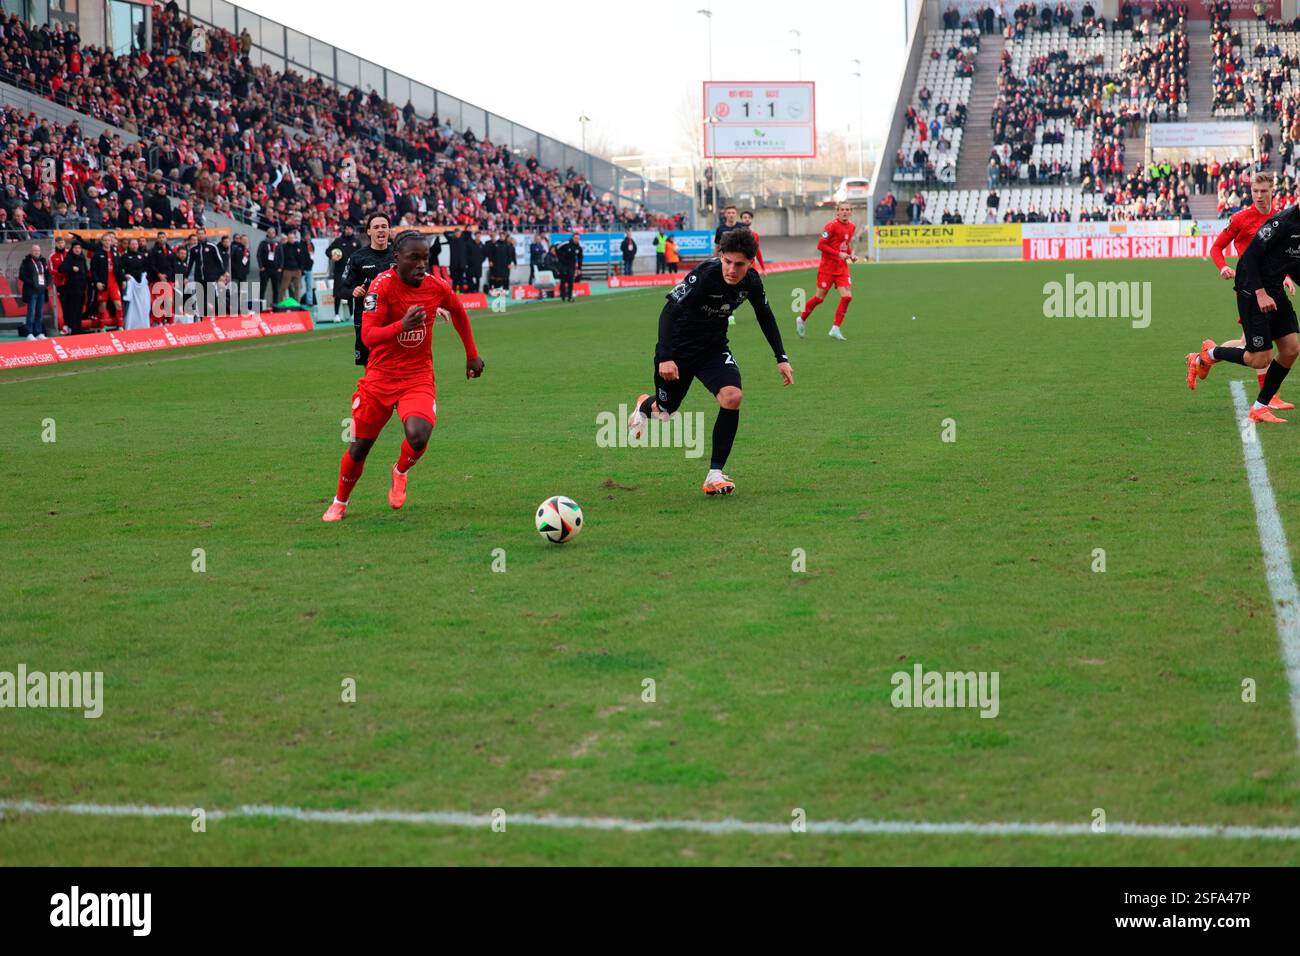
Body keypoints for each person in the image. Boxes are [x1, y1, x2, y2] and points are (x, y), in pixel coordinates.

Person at [322, 232, 485, 522]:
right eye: (414, 258)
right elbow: (369, 337)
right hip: (379, 379)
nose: (422, 264)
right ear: (396, 259)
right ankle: (339, 502)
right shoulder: (380, 287)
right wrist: (402, 325)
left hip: (417, 376)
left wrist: (471, 354)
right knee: (360, 448)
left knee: (419, 435)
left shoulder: (435, 286)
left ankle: (400, 471)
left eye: (425, 258)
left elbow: (458, 310)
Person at [625, 228, 793, 496]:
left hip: (713, 349)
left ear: (750, 262)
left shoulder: (751, 281)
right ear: (720, 256)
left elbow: (765, 315)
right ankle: (645, 404)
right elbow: (668, 312)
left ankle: (714, 474)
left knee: (732, 397)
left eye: (739, 264)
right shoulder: (703, 275)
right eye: (727, 261)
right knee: (666, 412)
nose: (731, 269)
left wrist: (781, 357)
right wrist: (666, 357)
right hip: (678, 350)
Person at [1188, 171, 1295, 411]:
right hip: (1250, 289)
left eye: (1263, 191)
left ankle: (1204, 357)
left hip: (1273, 288)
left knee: (1249, 342)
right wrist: (1223, 265)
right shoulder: (1241, 219)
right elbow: (1216, 248)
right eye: (1255, 191)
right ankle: (1269, 396)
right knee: (1260, 347)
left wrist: (1286, 277)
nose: (1259, 196)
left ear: (1272, 191)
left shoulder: (1280, 220)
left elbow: (1280, 257)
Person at [797, 201, 857, 341]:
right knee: (819, 298)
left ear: (851, 212)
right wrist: (838, 254)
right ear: (837, 212)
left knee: (847, 297)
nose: (845, 212)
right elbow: (821, 245)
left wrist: (850, 255)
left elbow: (845, 246)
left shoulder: (852, 227)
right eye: (842, 209)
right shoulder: (831, 226)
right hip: (827, 268)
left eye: (848, 209)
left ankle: (835, 328)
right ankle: (801, 319)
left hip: (841, 267)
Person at [342, 212, 395, 366]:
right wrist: (353, 291)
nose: (381, 230)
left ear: (389, 230)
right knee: (370, 366)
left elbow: (413, 284)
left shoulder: (398, 255)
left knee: (394, 365)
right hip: (366, 321)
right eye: (376, 227)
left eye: (384, 227)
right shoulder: (357, 258)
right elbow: (342, 288)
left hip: (394, 319)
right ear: (369, 231)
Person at [326, 225, 362, 322]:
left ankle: (351, 315)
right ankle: (336, 315)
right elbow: (328, 251)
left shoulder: (356, 241)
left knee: (351, 293)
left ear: (352, 230)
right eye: (347, 228)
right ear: (345, 230)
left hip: (351, 272)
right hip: (339, 272)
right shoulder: (339, 241)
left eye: (350, 228)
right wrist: (332, 256)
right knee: (337, 293)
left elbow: (361, 254)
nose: (348, 230)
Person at [91, 233, 123, 330]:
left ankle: (120, 326)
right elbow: (93, 270)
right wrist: (97, 282)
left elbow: (120, 268)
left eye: (108, 240)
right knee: (102, 306)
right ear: (102, 241)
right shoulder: (97, 254)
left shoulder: (115, 253)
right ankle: (101, 327)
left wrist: (123, 280)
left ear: (111, 241)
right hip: (103, 283)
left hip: (113, 283)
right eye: (105, 240)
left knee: (118, 304)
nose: (107, 242)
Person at [57, 240, 91, 334]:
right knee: (73, 309)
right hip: (73, 288)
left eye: (79, 248)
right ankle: (73, 329)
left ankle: (78, 327)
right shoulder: (69, 258)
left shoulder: (82, 258)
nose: (78, 250)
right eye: (76, 248)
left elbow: (85, 270)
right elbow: (61, 268)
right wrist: (71, 268)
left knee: (79, 308)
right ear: (72, 249)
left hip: (82, 287)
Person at [19, 243, 50, 340]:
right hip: (31, 290)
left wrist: (46, 284)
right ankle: (29, 333)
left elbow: (48, 275)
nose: (36, 252)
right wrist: (32, 283)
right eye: (34, 250)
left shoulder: (43, 262)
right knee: (31, 312)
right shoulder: (26, 262)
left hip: (41, 290)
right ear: (31, 251)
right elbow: (22, 276)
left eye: (38, 251)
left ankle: (38, 332)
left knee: (40, 312)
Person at [257, 227, 283, 305]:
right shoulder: (263, 243)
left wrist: (280, 268)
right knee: (262, 287)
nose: (271, 234)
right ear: (267, 233)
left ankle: (275, 304)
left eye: (273, 232)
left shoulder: (278, 244)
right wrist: (261, 266)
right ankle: (261, 304)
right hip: (265, 269)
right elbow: (258, 255)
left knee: (276, 288)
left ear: (275, 234)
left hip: (275, 270)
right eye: (269, 232)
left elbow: (281, 256)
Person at [555, 234, 583, 302]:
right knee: (563, 280)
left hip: (571, 266)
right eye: (575, 238)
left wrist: (579, 268)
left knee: (571, 281)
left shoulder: (579, 248)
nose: (576, 240)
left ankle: (570, 296)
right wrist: (560, 258)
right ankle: (563, 296)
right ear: (572, 238)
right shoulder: (566, 243)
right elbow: (557, 248)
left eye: (578, 239)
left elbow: (580, 258)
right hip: (563, 265)